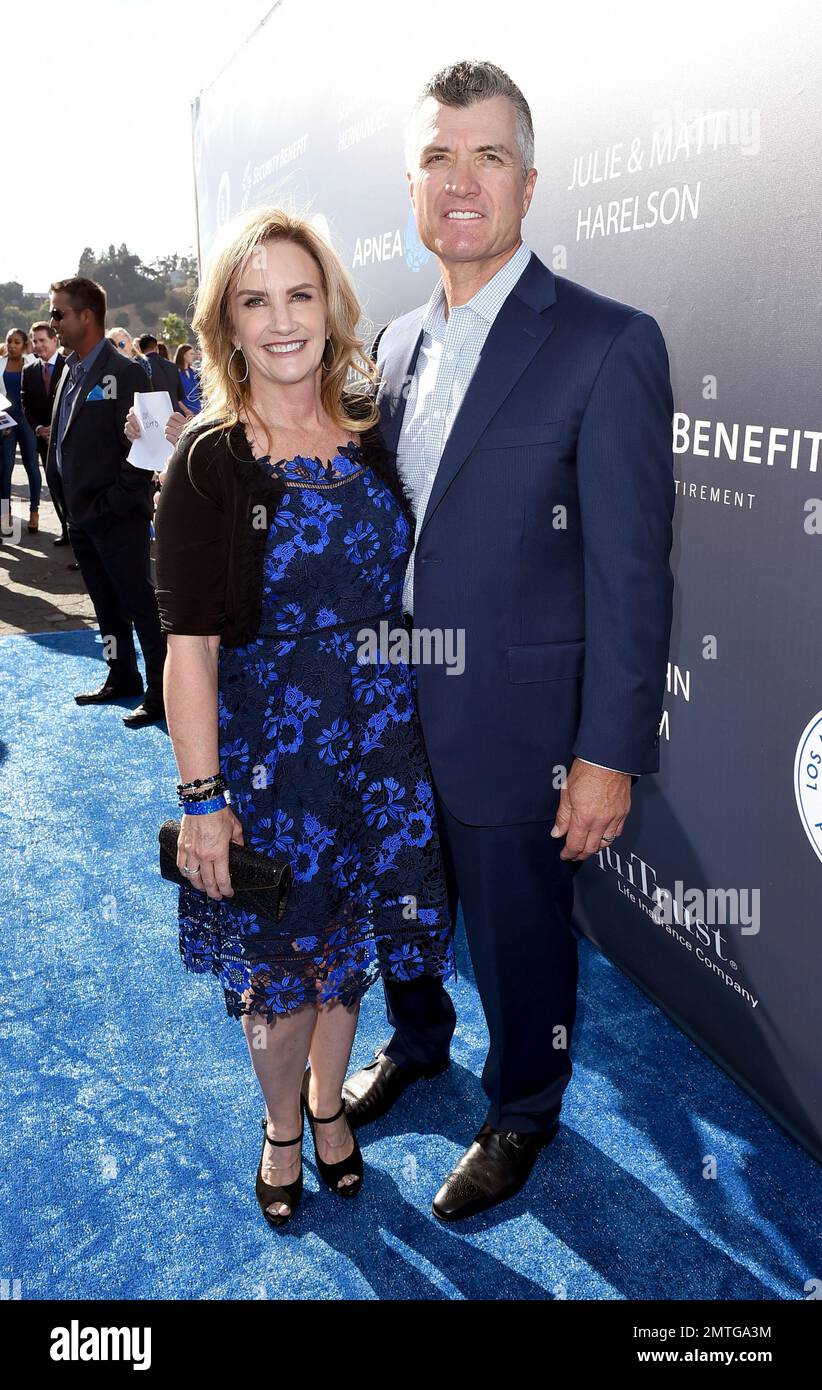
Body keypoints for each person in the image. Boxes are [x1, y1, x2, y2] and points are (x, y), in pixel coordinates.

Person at [342, 60, 675, 1222]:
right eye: (438, 155)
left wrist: (608, 753)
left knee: (522, 933)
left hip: (520, 726)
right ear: (413, 184)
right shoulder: (389, 346)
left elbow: (632, 575)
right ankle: (420, 1038)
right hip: (395, 710)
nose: (462, 179)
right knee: (402, 895)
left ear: (529, 184)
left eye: (488, 155)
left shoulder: (606, 342)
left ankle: (524, 1105)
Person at [150, 206, 456, 1229]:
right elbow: (187, 647)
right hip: (275, 763)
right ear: (226, 325)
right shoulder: (208, 464)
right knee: (283, 983)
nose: (282, 320)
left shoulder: (371, 433)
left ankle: (332, 1108)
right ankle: (284, 1124)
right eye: (255, 300)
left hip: (379, 750)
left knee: (347, 958)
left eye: (300, 293)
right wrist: (203, 798)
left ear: (330, 306)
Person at [46, 276, 167, 727]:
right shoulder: (69, 370)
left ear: (86, 316)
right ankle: (122, 675)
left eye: (58, 313)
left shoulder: (127, 372)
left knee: (141, 605)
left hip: (117, 517)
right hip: (80, 518)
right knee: (105, 606)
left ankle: (160, 690)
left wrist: (114, 503)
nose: (52, 321)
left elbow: (148, 449)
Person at [21, 321, 69, 546]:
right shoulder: (29, 370)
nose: (37, 345)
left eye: (42, 340)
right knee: (54, 486)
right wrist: (39, 428)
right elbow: (26, 404)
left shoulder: (69, 366)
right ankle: (65, 530)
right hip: (43, 440)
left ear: (54, 340)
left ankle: (79, 533)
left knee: (71, 486)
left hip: (67, 439)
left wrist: (57, 429)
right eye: (34, 341)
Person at [1, 329, 40, 532]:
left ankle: (34, 512)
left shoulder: (33, 362)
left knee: (32, 467)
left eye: (17, 342)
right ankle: (4, 517)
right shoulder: (0, 364)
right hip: (5, 423)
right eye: (9, 342)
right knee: (4, 470)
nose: (12, 345)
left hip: (27, 422)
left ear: (24, 344)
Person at [134, 333, 181, 406]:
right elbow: (180, 395)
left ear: (140, 349)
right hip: (174, 411)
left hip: (154, 412)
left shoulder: (140, 366)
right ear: (156, 348)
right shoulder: (173, 366)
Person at [175, 343, 201, 414]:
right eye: (191, 354)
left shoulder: (194, 372)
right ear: (184, 355)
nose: (193, 356)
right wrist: (185, 410)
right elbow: (175, 395)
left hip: (198, 410)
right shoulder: (175, 372)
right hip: (184, 412)